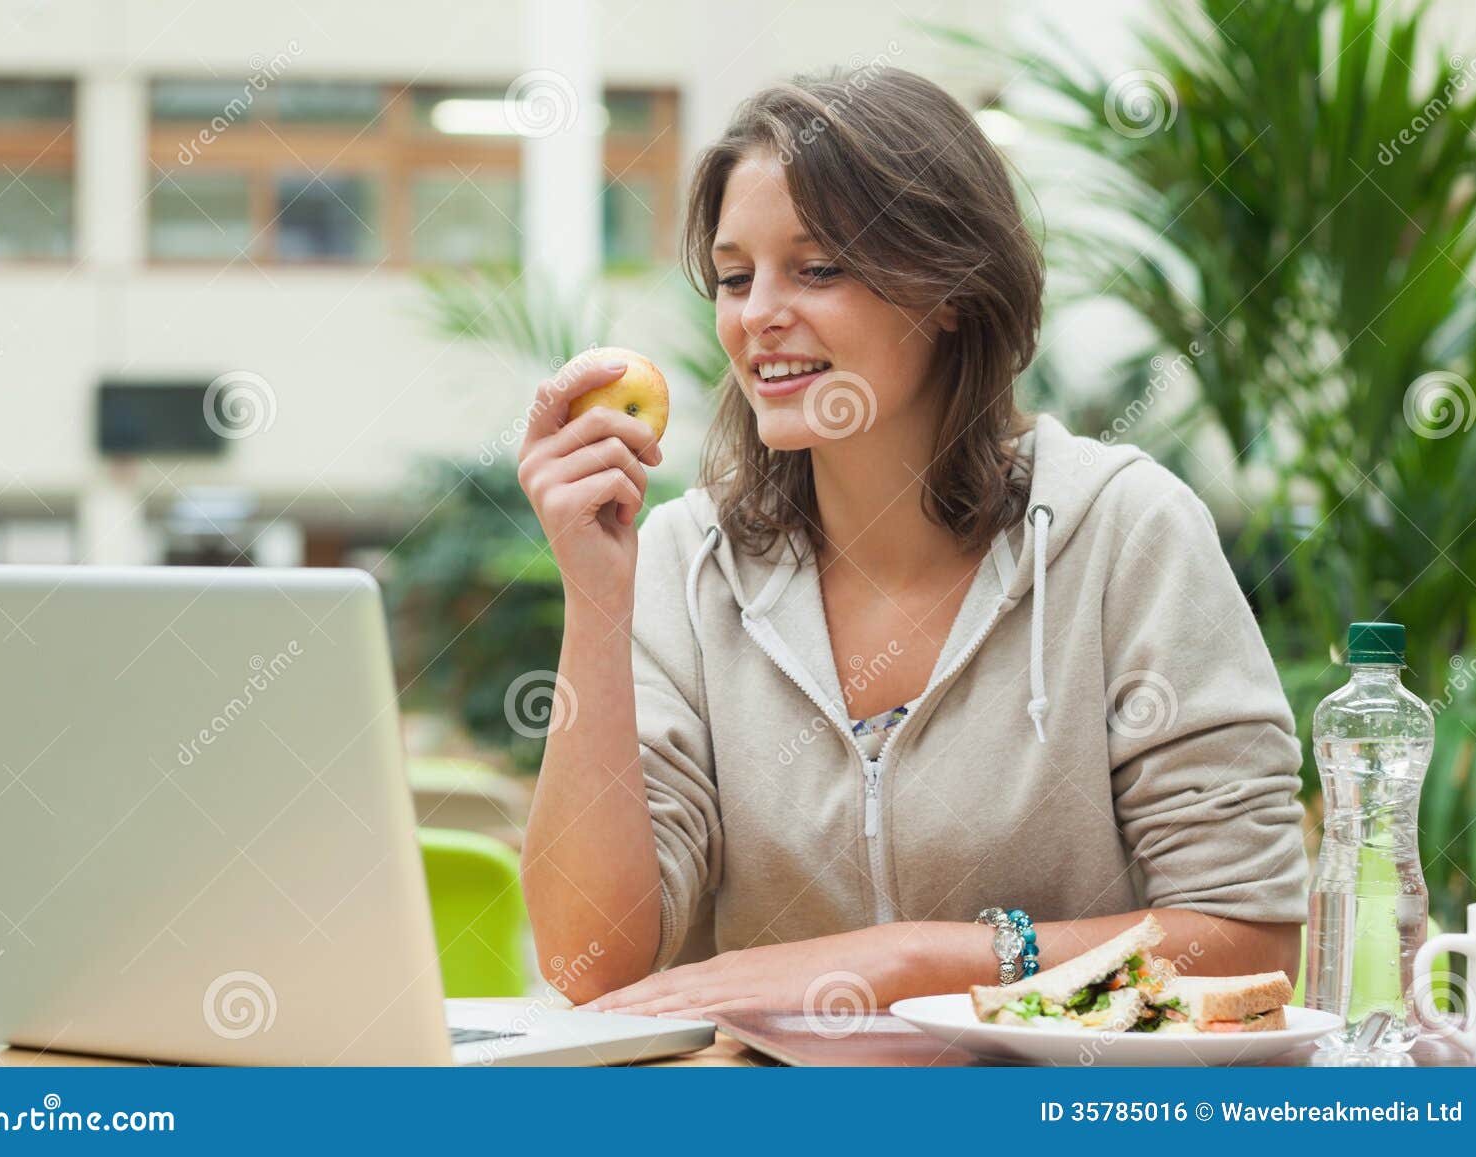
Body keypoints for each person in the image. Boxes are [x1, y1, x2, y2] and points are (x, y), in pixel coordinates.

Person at [515, 66, 1307, 1016]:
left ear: (953, 291)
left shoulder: (1123, 533)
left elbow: (1247, 937)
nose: (757, 313)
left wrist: (910, 961)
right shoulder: (686, 563)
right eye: (734, 276)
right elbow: (587, 969)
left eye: (818, 268)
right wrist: (597, 599)